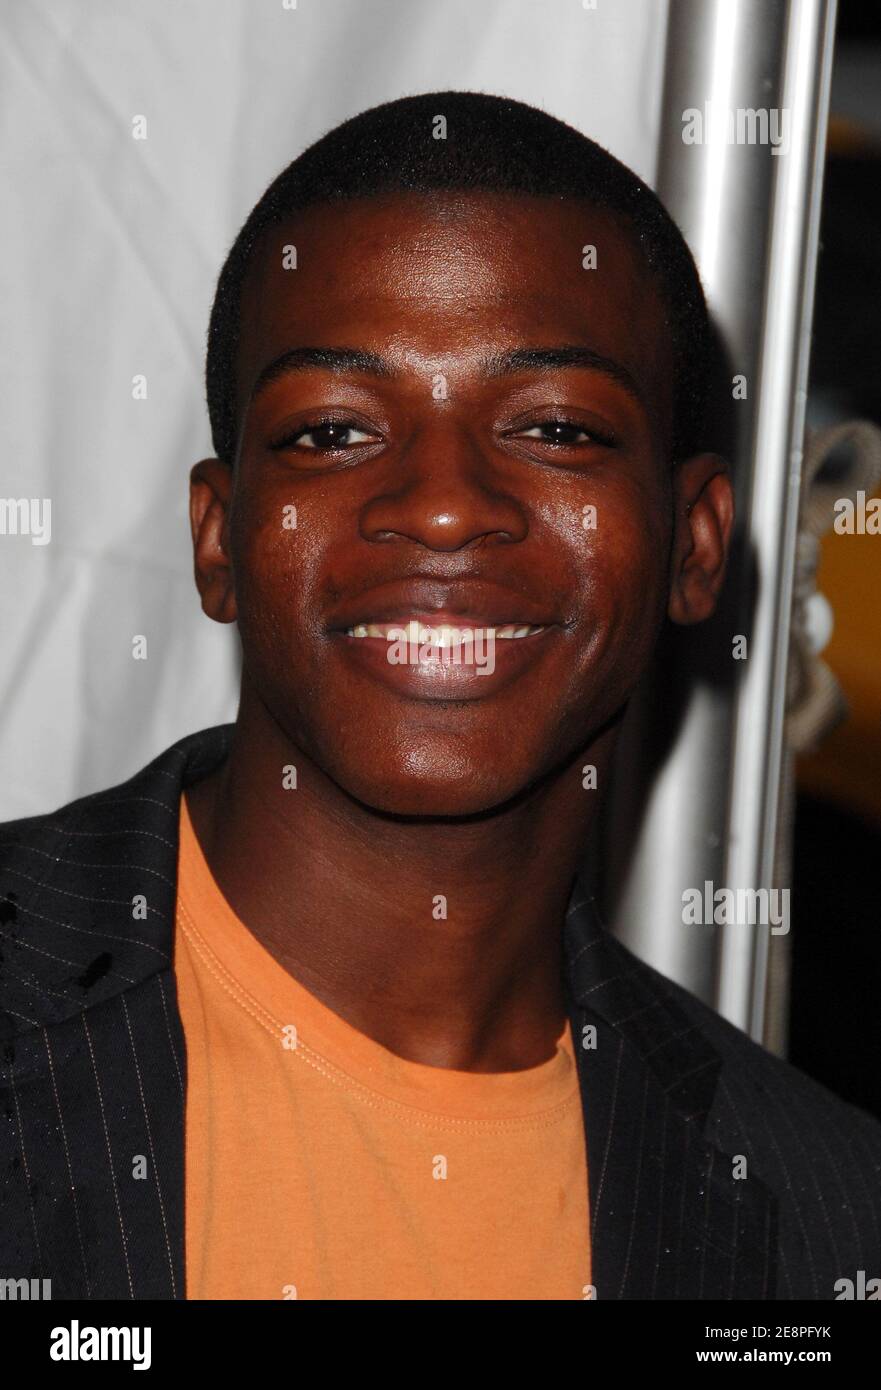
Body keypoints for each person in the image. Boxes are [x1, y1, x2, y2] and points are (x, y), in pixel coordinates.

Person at [1, 91, 879, 1302]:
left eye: (557, 425)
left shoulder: (829, 1221)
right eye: (330, 433)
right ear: (218, 537)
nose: (443, 503)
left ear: (692, 543)